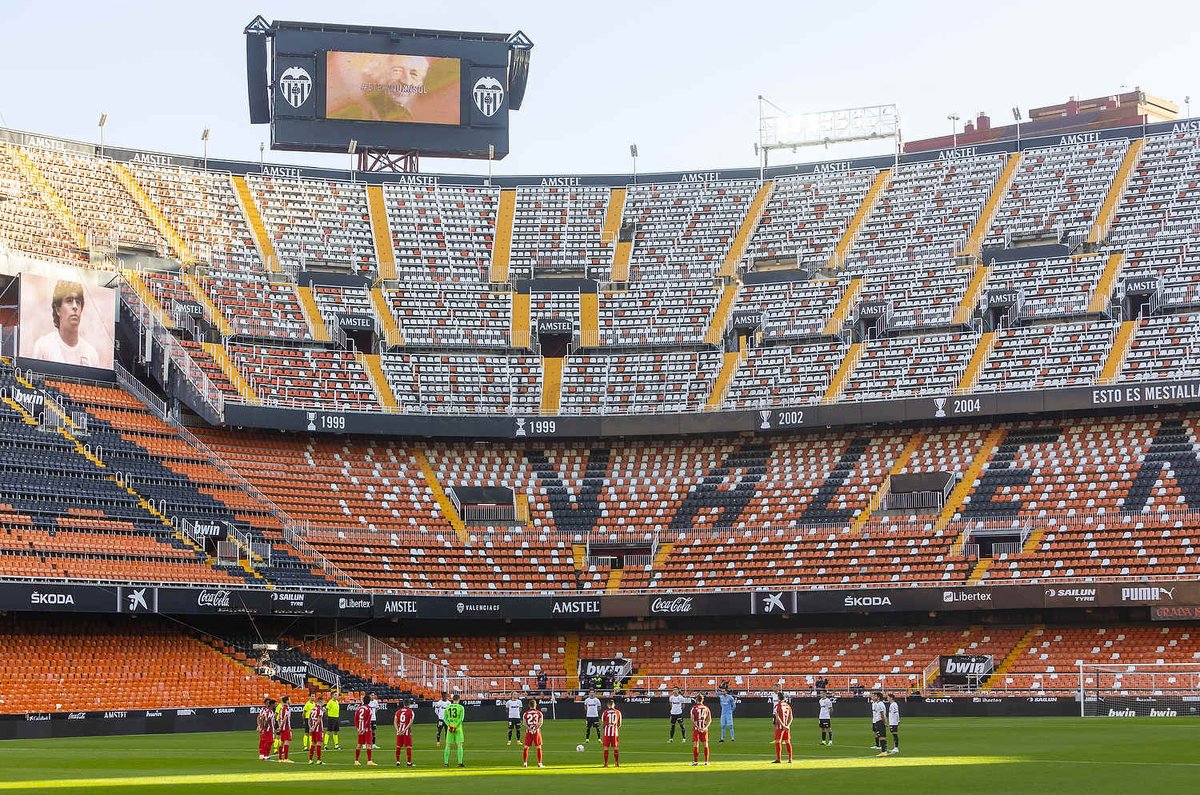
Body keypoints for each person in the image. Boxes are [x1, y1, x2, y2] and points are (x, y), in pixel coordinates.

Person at [31, 280, 101, 367]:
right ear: (58, 310)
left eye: (78, 302)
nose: (75, 306)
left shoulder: (91, 353)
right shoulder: (43, 346)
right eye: (69, 301)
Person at [443, 694, 466, 768]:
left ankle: (446, 763)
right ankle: (460, 763)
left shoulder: (448, 707)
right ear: (459, 699)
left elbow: (445, 719)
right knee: (459, 745)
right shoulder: (461, 707)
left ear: (452, 700)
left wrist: (449, 726)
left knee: (447, 745)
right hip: (458, 728)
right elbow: (461, 719)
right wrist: (455, 726)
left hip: (450, 729)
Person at [354, 696, 377, 766]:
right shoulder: (369, 709)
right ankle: (369, 761)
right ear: (369, 701)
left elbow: (355, 718)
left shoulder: (359, 708)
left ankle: (356, 761)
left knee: (359, 744)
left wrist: (358, 727)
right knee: (368, 744)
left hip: (360, 728)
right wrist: (364, 728)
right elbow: (368, 720)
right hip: (366, 729)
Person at [771, 691, 793, 765]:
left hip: (780, 727)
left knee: (778, 741)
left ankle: (778, 759)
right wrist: (788, 725)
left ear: (778, 698)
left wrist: (783, 725)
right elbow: (791, 717)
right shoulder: (788, 706)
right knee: (787, 742)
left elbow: (777, 717)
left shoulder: (777, 706)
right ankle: (790, 759)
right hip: (787, 727)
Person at [690, 694, 712, 766]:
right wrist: (706, 727)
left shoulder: (694, 708)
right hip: (704, 728)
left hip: (697, 729)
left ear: (696, 699)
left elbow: (692, 719)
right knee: (705, 744)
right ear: (703, 700)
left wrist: (698, 727)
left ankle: (696, 762)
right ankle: (706, 762)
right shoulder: (706, 708)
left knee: (696, 744)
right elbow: (709, 720)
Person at [522, 698, 544, 768]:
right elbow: (541, 722)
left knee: (526, 747)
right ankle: (539, 763)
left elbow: (524, 723)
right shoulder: (539, 713)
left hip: (529, 731)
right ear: (535, 705)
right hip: (536, 731)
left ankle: (525, 763)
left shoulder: (526, 713)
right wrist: (535, 728)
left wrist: (529, 728)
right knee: (538, 747)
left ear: (529, 705)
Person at [601, 698, 622, 768]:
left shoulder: (605, 712)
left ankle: (606, 763)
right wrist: (615, 728)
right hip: (615, 732)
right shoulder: (618, 712)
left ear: (608, 705)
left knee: (606, 748)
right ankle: (616, 763)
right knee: (615, 748)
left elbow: (603, 723)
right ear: (614, 705)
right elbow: (620, 724)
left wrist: (606, 727)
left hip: (607, 732)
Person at [395, 698, 416, 767]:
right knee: (408, 746)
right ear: (409, 704)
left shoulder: (398, 712)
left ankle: (398, 762)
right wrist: (405, 729)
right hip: (406, 731)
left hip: (399, 731)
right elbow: (411, 722)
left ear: (403, 704)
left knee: (398, 746)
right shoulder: (411, 711)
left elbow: (395, 721)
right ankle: (409, 762)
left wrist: (397, 730)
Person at [307, 694, 326, 765]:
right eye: (323, 701)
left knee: (313, 743)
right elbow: (318, 720)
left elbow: (309, 719)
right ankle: (318, 760)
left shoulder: (312, 709)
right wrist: (314, 727)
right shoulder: (320, 710)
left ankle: (310, 760)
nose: (324, 703)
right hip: (318, 729)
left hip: (313, 729)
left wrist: (310, 728)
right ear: (320, 702)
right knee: (319, 743)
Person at [256, 697, 276, 761]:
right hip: (267, 729)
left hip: (266, 729)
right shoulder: (266, 710)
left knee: (266, 741)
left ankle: (264, 755)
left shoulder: (268, 711)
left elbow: (263, 718)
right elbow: (261, 718)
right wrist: (260, 726)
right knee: (265, 741)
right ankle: (264, 755)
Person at [276, 695, 294, 763]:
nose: (290, 701)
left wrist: (280, 726)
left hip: (282, 728)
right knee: (287, 741)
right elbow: (285, 718)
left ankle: (280, 758)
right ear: (286, 701)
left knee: (282, 742)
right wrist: (281, 726)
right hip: (286, 727)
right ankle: (286, 758)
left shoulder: (281, 708)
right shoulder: (287, 708)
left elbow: (278, 719)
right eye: (289, 699)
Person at [871, 692, 888, 757]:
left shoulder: (880, 704)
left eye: (875, 696)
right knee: (881, 736)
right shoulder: (879, 704)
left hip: (880, 721)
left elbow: (882, 714)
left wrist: (884, 722)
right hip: (878, 721)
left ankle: (884, 751)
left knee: (881, 736)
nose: (873, 697)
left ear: (878, 697)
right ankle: (884, 750)